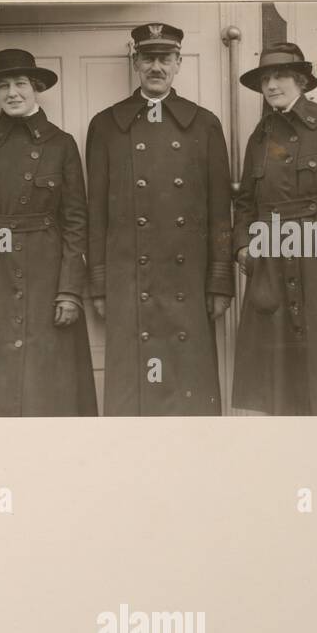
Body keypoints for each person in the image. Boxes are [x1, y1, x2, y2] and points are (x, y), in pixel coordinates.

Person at [86, 22, 234, 416]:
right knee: (134, 392)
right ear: (136, 62)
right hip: (129, 280)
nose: (156, 67)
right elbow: (95, 211)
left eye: (164, 59)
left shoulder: (204, 124)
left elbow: (221, 211)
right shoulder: (106, 125)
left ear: (178, 63)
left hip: (188, 279)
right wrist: (99, 285)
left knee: (189, 389)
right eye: (148, 58)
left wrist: (220, 283)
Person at [0, 48, 97, 417]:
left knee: (47, 376)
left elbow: (76, 220)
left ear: (37, 87)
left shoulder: (61, 144)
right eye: (4, 86)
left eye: (21, 84)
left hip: (46, 271)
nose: (12, 92)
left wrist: (70, 291)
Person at [231, 42, 317, 415]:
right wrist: (243, 247)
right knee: (278, 379)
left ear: (301, 81)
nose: (272, 85)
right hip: (271, 257)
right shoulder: (259, 137)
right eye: (265, 79)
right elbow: (245, 202)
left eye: (280, 76)